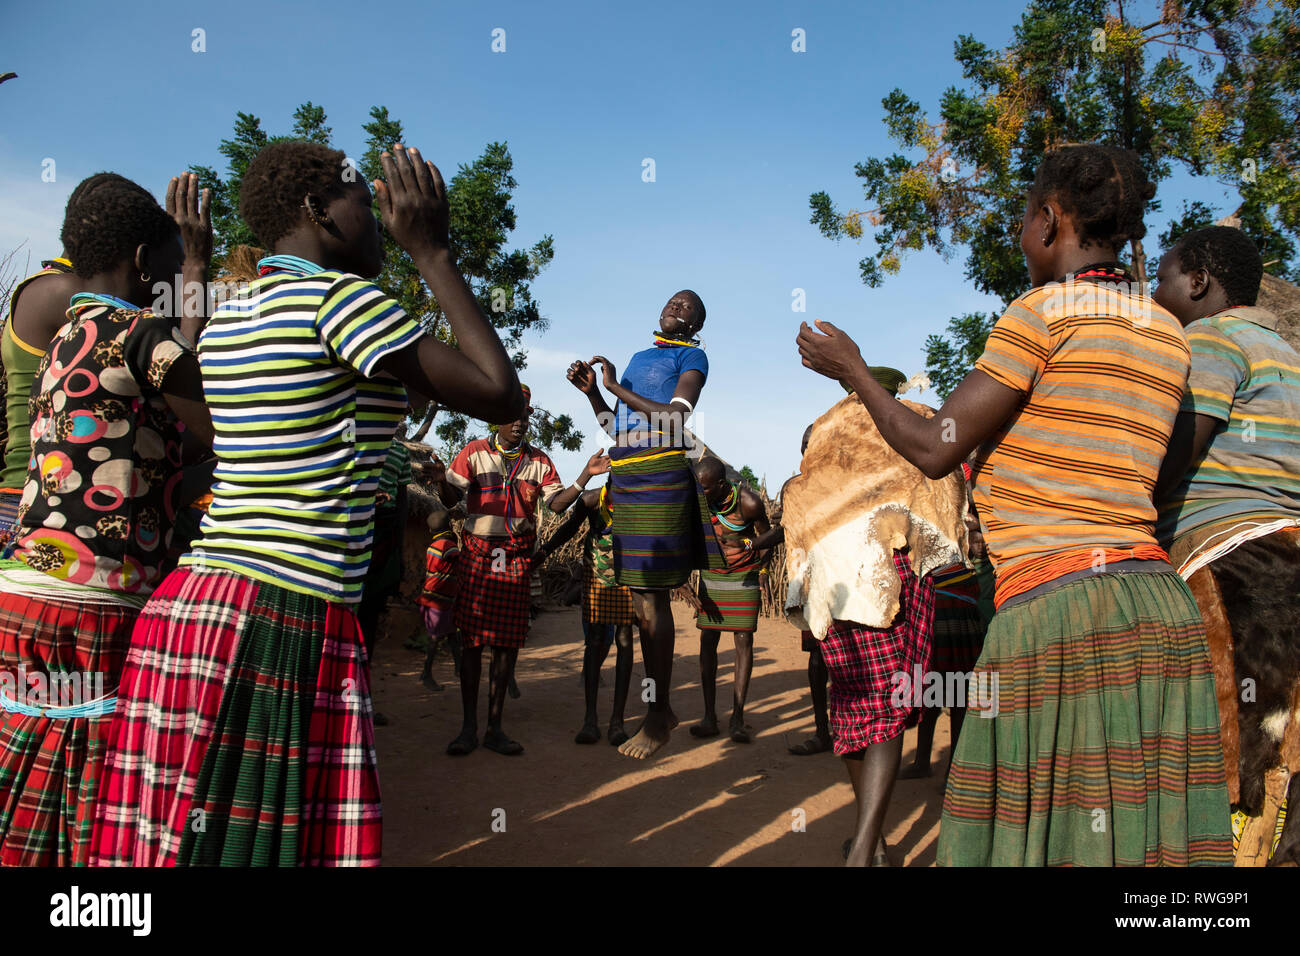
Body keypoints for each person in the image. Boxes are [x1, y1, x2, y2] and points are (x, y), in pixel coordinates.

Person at [90, 141, 524, 867]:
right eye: (365, 200)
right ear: (320, 211)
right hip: (282, 618)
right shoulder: (343, 302)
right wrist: (434, 251)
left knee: (182, 846)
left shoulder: (231, 315)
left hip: (192, 612)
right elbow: (500, 392)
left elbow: (205, 434)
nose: (383, 217)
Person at [798, 143, 1233, 866]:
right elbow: (1159, 472)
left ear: (1049, 220)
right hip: (1157, 609)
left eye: (1024, 220)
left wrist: (854, 373)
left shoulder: (1041, 314)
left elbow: (935, 446)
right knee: (1138, 844)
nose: (1019, 237)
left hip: (1056, 610)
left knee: (1034, 837)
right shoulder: (1167, 334)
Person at [0, 171, 213, 865]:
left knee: (27, 768)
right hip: (98, 601)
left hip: (25, 590)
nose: (173, 276)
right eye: (170, 265)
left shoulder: (63, 333)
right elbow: (214, 423)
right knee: (92, 792)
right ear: (145, 260)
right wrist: (202, 274)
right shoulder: (140, 333)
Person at [1153, 225, 1300, 864]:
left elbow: (1181, 447)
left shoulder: (1208, 340)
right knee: (1282, 736)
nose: (1155, 294)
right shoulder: (1285, 352)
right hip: (1285, 546)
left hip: (1228, 558)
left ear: (1199, 282)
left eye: (1162, 280)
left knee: (1230, 741)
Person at [567, 290, 724, 759]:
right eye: (673, 302)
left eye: (688, 308)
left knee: (654, 597)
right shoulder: (638, 357)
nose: (677, 308)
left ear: (696, 326)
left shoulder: (693, 356)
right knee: (639, 597)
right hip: (627, 475)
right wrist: (593, 390)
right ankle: (661, 711)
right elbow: (615, 429)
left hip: (662, 476)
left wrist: (615, 387)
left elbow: (676, 421)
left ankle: (658, 714)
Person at [433, 388, 609, 756]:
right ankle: (468, 728)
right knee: (472, 643)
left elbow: (558, 506)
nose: (519, 423)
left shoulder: (539, 462)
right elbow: (450, 500)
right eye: (512, 415)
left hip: (515, 560)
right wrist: (438, 479)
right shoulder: (473, 453)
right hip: (478, 556)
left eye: (524, 416)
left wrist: (584, 476)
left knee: (506, 645)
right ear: (495, 419)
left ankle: (495, 728)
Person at [535, 480, 637, 746]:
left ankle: (617, 722)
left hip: (629, 576)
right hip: (596, 575)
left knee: (625, 643)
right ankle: (590, 720)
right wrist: (545, 551)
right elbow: (569, 528)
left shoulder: (638, 501)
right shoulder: (591, 500)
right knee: (594, 643)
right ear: (610, 484)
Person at [690, 457, 770, 743]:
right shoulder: (699, 502)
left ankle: (738, 718)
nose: (702, 493)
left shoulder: (748, 503)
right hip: (711, 577)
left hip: (744, 577)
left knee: (743, 642)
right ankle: (709, 717)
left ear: (722, 485)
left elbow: (769, 536)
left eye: (706, 489)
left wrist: (761, 566)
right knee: (707, 641)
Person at [417, 505, 460, 692]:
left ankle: (460, 668)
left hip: (436, 598)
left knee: (452, 635)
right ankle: (426, 673)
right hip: (439, 600)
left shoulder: (433, 546)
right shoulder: (447, 546)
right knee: (436, 638)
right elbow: (461, 559)